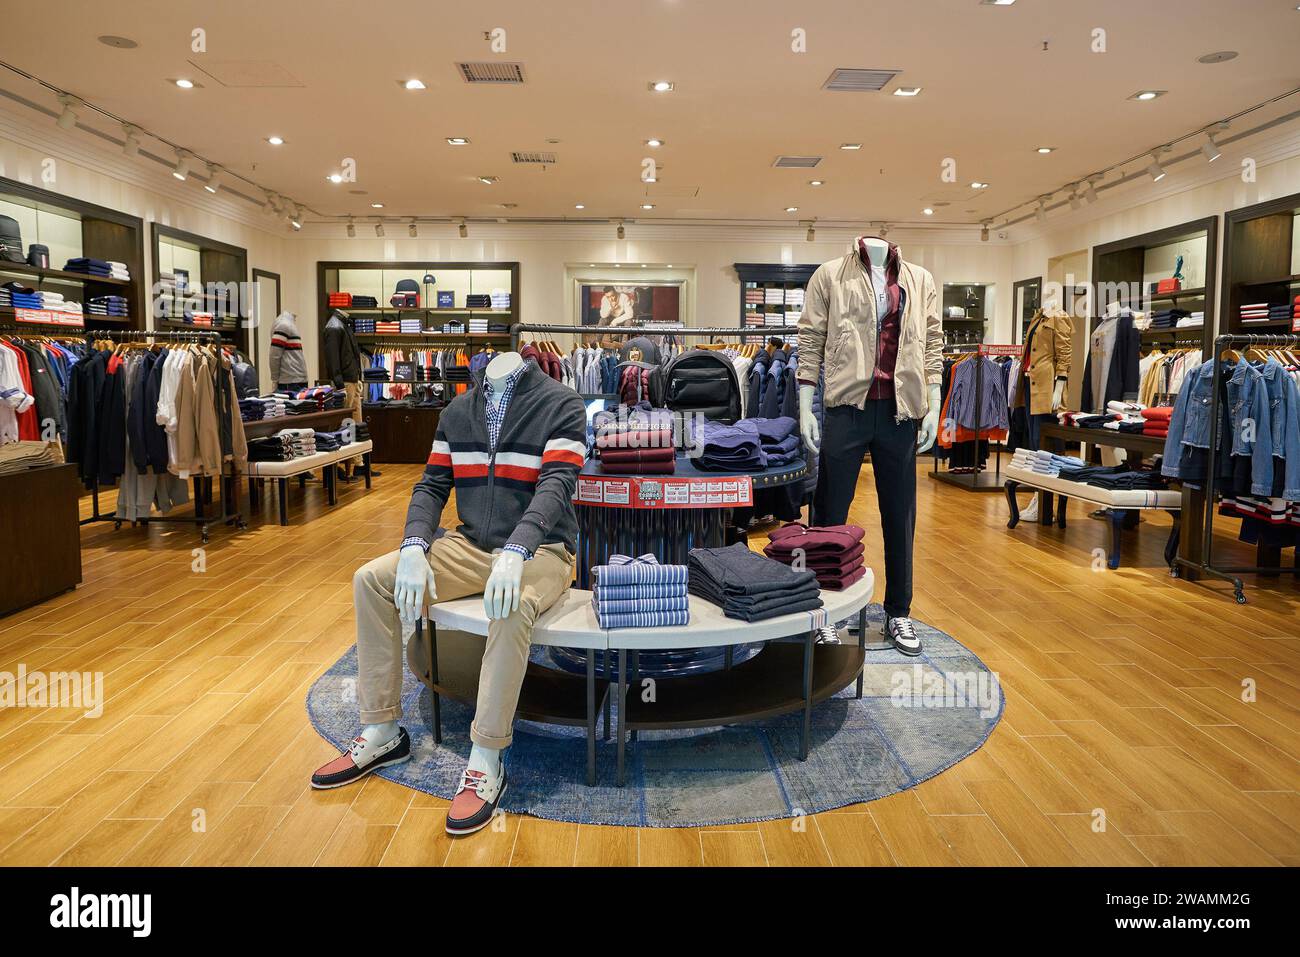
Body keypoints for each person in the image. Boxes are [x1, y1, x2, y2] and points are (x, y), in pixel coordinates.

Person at [311, 351, 586, 836]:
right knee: (371, 579)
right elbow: (432, 484)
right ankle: (382, 730)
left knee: (512, 604)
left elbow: (557, 485)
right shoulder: (457, 412)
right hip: (471, 545)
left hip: (544, 549)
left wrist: (518, 549)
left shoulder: (561, 403)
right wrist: (416, 545)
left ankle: (487, 754)